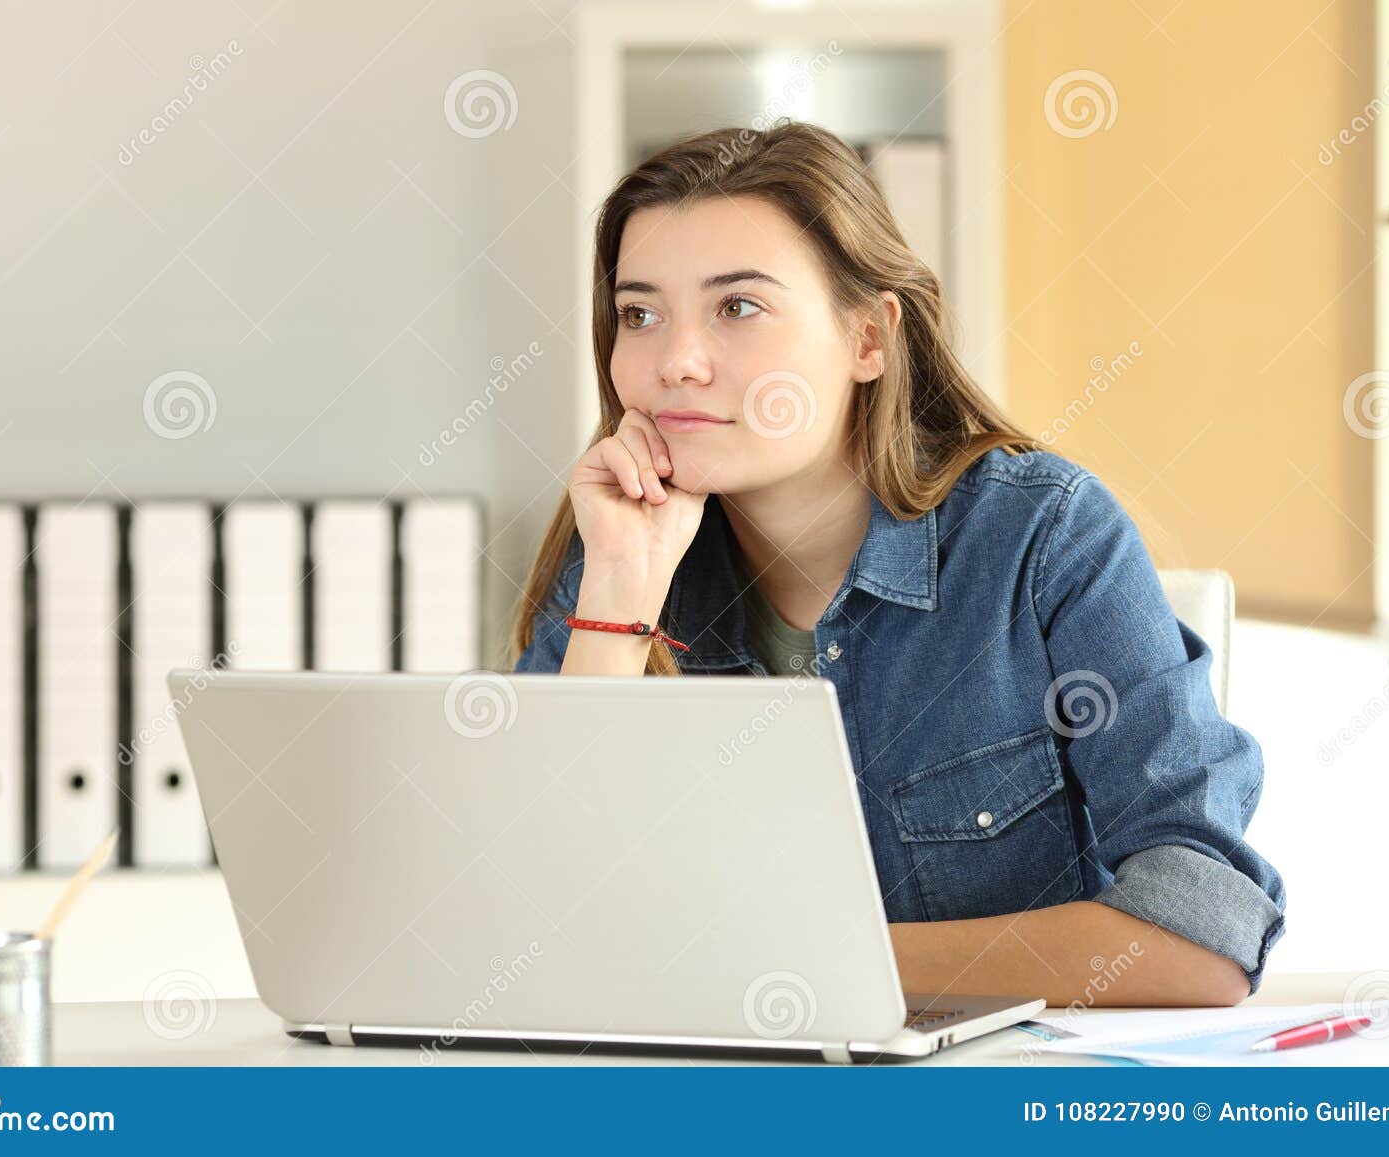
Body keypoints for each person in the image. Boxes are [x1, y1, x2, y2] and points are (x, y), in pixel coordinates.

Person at [511, 121, 1283, 1007]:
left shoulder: (1043, 537)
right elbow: (523, 932)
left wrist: (812, 967)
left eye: (738, 307)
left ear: (869, 339)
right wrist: (618, 597)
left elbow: (1201, 936)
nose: (675, 363)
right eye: (640, 314)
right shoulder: (616, 547)